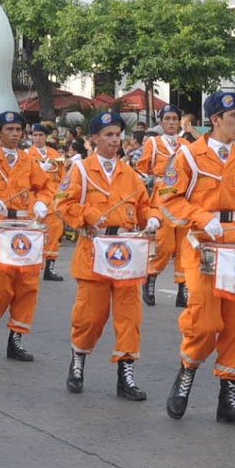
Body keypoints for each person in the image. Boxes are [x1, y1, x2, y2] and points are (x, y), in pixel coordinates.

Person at [161, 90, 235, 426]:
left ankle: (229, 399)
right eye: (234, 116)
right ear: (215, 120)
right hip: (202, 244)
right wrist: (200, 216)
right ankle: (187, 372)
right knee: (205, 322)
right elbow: (168, 199)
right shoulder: (189, 156)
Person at [55, 112, 157, 399]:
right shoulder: (82, 171)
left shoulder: (131, 175)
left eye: (118, 134)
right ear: (94, 139)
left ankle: (126, 374)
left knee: (129, 317)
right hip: (94, 252)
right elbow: (62, 203)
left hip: (126, 253)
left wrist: (151, 218)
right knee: (90, 317)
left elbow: (144, 206)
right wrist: (88, 215)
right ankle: (78, 358)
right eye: (109, 135)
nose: (115, 140)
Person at [0, 110, 54, 361]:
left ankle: (16, 338)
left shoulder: (28, 161)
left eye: (18, 130)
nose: (14, 134)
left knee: (27, 285)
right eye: (9, 130)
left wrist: (41, 203)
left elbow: (46, 187)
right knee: (0, 284)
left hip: (26, 229)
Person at [138, 106, 189, 306]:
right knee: (165, 245)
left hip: (183, 198)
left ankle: (182, 287)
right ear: (160, 122)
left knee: (185, 246)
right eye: (167, 118)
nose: (171, 122)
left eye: (175, 119)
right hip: (162, 197)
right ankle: (151, 275)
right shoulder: (154, 142)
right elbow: (142, 169)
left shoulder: (185, 144)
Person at [29, 124, 68, 282]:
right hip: (35, 198)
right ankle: (31, 268)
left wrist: (62, 196)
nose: (37, 138)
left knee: (54, 233)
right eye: (35, 135)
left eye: (40, 135)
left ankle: (49, 268)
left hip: (53, 199)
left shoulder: (54, 154)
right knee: (35, 234)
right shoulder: (27, 154)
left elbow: (63, 178)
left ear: (46, 137)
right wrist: (40, 170)